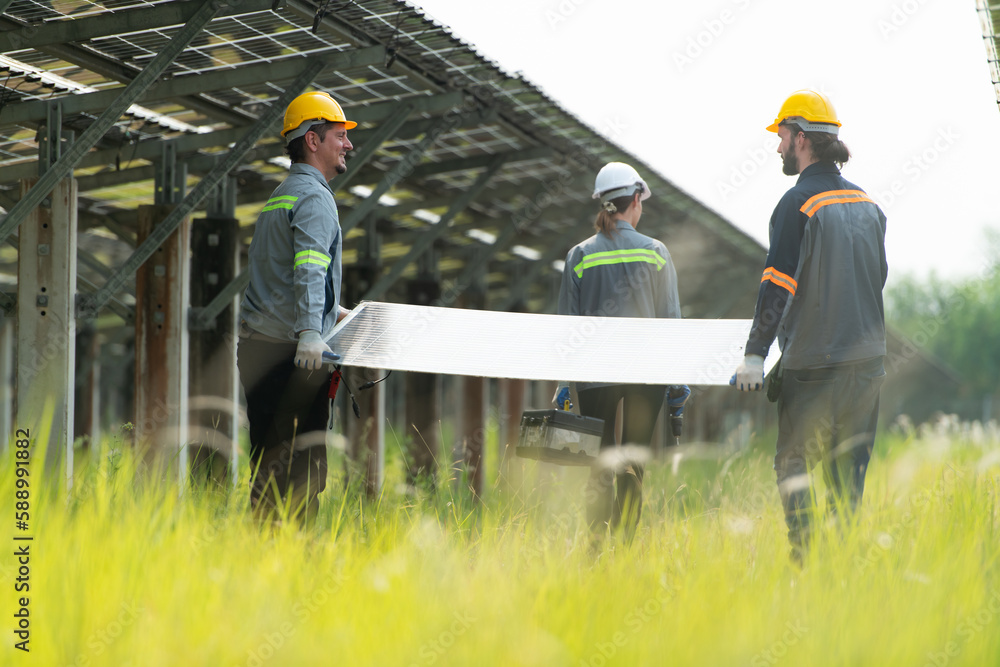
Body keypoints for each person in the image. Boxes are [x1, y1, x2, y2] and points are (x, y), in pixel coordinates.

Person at [733, 90, 888, 563]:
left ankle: (805, 562)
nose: (777, 147)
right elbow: (877, 277)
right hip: (867, 363)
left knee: (794, 464)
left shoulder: (797, 204)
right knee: (848, 476)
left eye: (781, 136)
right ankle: (840, 575)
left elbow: (777, 285)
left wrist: (755, 354)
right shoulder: (869, 206)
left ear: (801, 138)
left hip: (813, 365)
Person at [237, 91, 355, 527]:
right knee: (301, 476)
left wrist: (331, 311)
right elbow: (308, 267)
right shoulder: (315, 199)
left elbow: (281, 274)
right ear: (312, 139)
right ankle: (295, 568)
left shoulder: (282, 194)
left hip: (258, 349)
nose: (348, 145)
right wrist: (311, 331)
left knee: (267, 470)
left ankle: (262, 564)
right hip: (292, 358)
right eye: (340, 136)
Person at [556, 162, 687, 542]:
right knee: (633, 464)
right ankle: (625, 549)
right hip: (647, 376)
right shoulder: (656, 253)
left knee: (599, 464)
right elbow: (671, 323)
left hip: (594, 376)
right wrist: (677, 384)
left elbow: (569, 329)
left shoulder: (579, 256)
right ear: (634, 200)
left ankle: (597, 548)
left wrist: (566, 382)